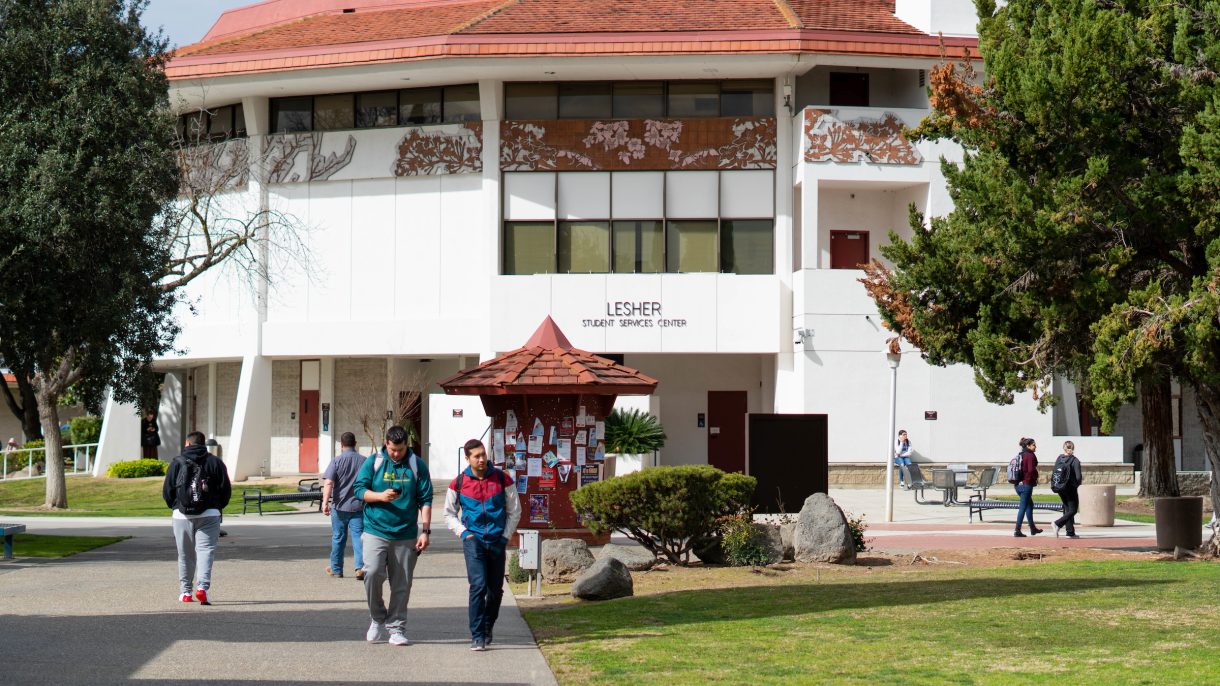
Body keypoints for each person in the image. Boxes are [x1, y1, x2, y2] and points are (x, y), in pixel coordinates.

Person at [354, 425, 432, 646]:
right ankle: (377, 617)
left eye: (400, 449)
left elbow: (425, 499)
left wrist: (425, 531)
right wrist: (380, 496)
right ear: (386, 444)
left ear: (407, 445)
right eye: (392, 449)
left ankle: (396, 627)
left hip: (405, 533)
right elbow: (359, 490)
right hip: (375, 530)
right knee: (371, 573)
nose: (396, 454)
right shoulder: (374, 461)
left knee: (401, 584)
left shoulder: (417, 464)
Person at [444, 438, 522, 652]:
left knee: (495, 590)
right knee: (478, 587)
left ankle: (488, 626)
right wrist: (465, 534)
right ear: (467, 458)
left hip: (497, 540)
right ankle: (477, 636)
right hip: (474, 542)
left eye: (483, 454)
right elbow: (449, 514)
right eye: (476, 456)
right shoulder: (458, 483)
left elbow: (515, 510)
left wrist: (505, 537)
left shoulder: (502, 479)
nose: (481, 459)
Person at [162, 431, 231, 604]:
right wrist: (217, 506)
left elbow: (168, 490)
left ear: (187, 443)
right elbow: (225, 490)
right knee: (206, 551)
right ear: (204, 444)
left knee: (185, 555)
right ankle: (202, 588)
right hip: (210, 514)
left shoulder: (177, 462)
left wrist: (175, 506)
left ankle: (186, 592)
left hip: (181, 515)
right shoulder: (215, 462)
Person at [322, 431, 367, 579]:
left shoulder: (336, 461)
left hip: (339, 506)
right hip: (359, 506)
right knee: (358, 537)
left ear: (341, 445)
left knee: (338, 537)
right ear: (355, 443)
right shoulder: (364, 461)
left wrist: (325, 503)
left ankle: (336, 569)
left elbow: (328, 483)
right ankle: (360, 567)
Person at [1052, 441, 1084, 539]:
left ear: (1064, 448)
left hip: (1060, 487)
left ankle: (1070, 532)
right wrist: (1076, 485)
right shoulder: (1075, 460)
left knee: (1067, 509)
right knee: (1073, 510)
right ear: (1073, 448)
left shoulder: (1059, 458)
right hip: (1070, 488)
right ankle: (1057, 523)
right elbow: (1078, 477)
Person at [1013, 437, 1043, 538]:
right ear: (1028, 446)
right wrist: (1035, 477)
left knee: (1029, 505)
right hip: (1026, 485)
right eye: (1033, 445)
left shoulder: (1021, 454)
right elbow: (1030, 470)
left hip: (1018, 485)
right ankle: (1017, 530)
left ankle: (1033, 528)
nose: (1035, 446)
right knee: (1023, 507)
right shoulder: (1029, 455)